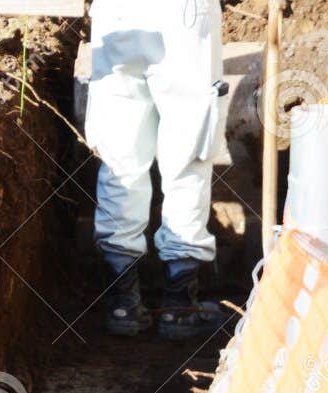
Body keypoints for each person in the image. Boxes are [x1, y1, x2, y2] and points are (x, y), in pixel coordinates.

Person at [83, 0, 227, 339]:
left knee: (120, 157)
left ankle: (123, 302)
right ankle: (179, 306)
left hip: (116, 15)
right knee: (188, 156)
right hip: (183, 15)